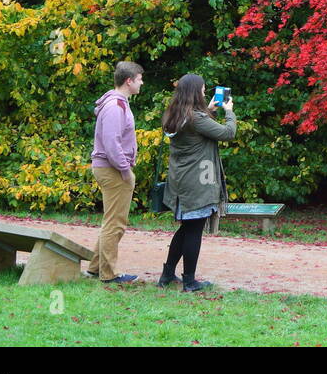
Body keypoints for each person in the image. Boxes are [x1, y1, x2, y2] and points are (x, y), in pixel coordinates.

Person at [158, 74, 236, 292]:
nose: (204, 92)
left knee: (185, 229)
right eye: (202, 90)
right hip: (198, 181)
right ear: (194, 92)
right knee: (194, 231)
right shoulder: (196, 118)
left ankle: (166, 275)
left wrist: (209, 110)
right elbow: (228, 133)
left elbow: (194, 129)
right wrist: (229, 112)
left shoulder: (175, 114)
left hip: (181, 180)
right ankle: (189, 281)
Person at [87, 61, 144, 284]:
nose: (142, 83)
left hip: (111, 169)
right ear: (128, 81)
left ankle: (94, 268)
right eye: (139, 79)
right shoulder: (115, 106)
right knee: (115, 224)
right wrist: (125, 170)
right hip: (113, 170)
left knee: (111, 221)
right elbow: (112, 143)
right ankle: (108, 275)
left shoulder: (118, 103)